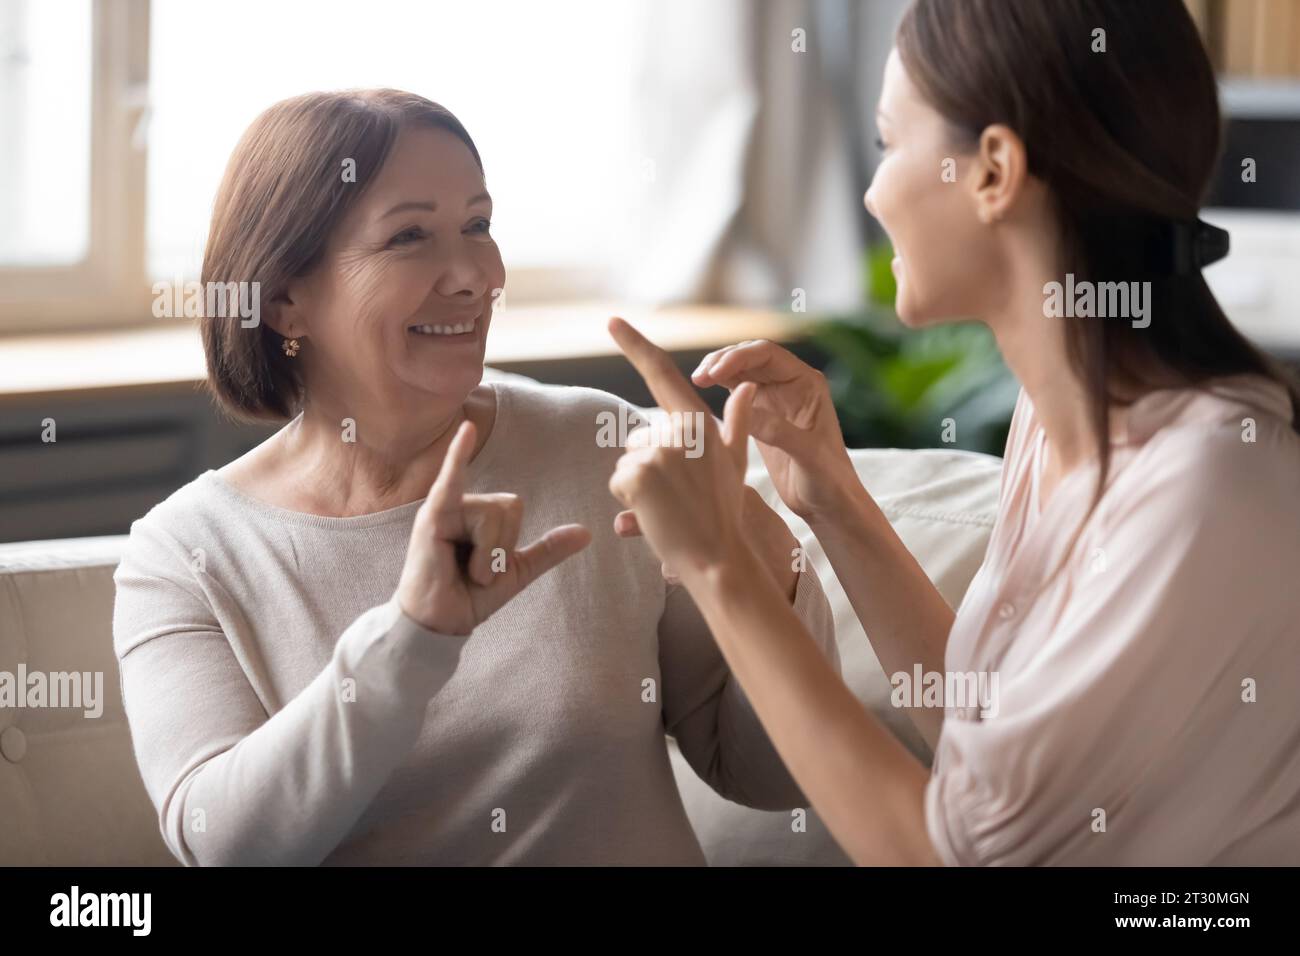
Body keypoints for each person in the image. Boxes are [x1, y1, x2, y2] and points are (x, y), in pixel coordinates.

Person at [606, 0, 1300, 865]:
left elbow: (943, 856)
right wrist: (836, 501)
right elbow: (989, 747)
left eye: (890, 144)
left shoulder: (1204, 484)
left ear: (993, 171)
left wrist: (716, 563)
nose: (872, 190)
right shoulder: (1057, 425)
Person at [113, 89, 838, 866]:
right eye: (409, 237)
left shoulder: (607, 449)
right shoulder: (185, 554)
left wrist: (758, 550)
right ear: (287, 301)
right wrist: (411, 638)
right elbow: (224, 846)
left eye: (478, 225)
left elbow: (774, 775)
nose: (472, 274)